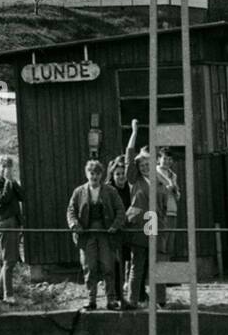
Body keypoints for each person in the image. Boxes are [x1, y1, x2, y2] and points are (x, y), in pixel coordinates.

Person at [66, 160, 125, 310]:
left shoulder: (110, 191)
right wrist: (75, 225)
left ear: (101, 175)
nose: (94, 176)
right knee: (89, 266)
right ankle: (91, 299)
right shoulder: (79, 192)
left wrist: (115, 226)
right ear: (87, 174)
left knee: (108, 266)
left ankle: (111, 299)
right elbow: (71, 211)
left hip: (106, 234)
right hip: (87, 235)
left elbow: (120, 210)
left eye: (97, 173)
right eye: (91, 173)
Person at [123, 122, 168, 308]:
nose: (143, 166)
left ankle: (160, 301)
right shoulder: (135, 180)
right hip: (139, 226)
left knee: (157, 265)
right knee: (137, 265)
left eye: (146, 163)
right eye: (140, 164)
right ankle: (132, 300)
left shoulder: (160, 182)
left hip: (155, 225)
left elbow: (163, 205)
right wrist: (134, 132)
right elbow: (129, 155)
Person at [0, 154, 23, 302]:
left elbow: (22, 196)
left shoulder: (9, 181)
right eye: (4, 166)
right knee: (9, 260)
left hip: (14, 221)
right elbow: (4, 199)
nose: (6, 170)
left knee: (12, 260)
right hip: (4, 222)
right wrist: (9, 182)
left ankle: (0, 291)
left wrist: (13, 182)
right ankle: (9, 295)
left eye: (9, 167)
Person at [106, 155, 132, 304]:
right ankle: (116, 294)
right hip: (115, 230)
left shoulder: (130, 188)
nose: (121, 176)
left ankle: (133, 293)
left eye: (123, 174)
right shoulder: (109, 190)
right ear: (113, 175)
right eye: (118, 174)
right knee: (116, 263)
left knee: (131, 259)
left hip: (129, 229)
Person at [157, 149, 182, 262]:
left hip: (172, 210)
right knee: (161, 243)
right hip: (161, 213)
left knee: (170, 245)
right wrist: (167, 189)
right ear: (158, 159)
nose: (167, 161)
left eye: (170, 159)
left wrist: (176, 191)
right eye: (165, 158)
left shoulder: (173, 175)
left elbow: (177, 196)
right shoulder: (155, 173)